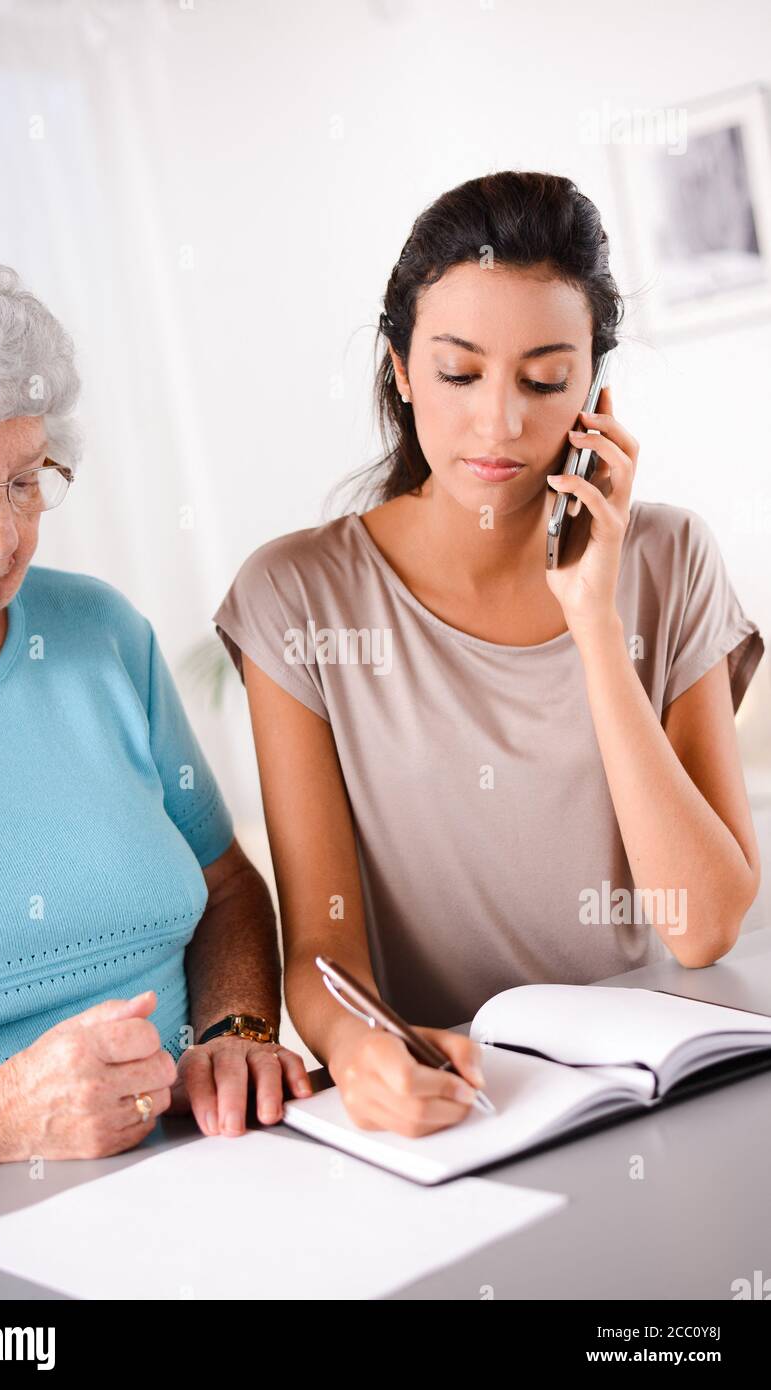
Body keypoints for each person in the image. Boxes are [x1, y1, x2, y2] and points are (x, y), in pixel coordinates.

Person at [213, 170, 765, 1140]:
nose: (501, 422)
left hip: (661, 1091)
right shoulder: (296, 595)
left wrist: (594, 617)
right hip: (464, 1107)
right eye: (460, 373)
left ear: (594, 389)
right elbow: (322, 950)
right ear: (399, 368)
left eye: (546, 379)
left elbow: (704, 922)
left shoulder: (671, 559)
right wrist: (359, 1050)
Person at [0, 229, 310, 1192]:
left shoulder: (97, 636)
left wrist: (235, 1031)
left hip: (207, 1169)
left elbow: (223, 888)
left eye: (22, 482)